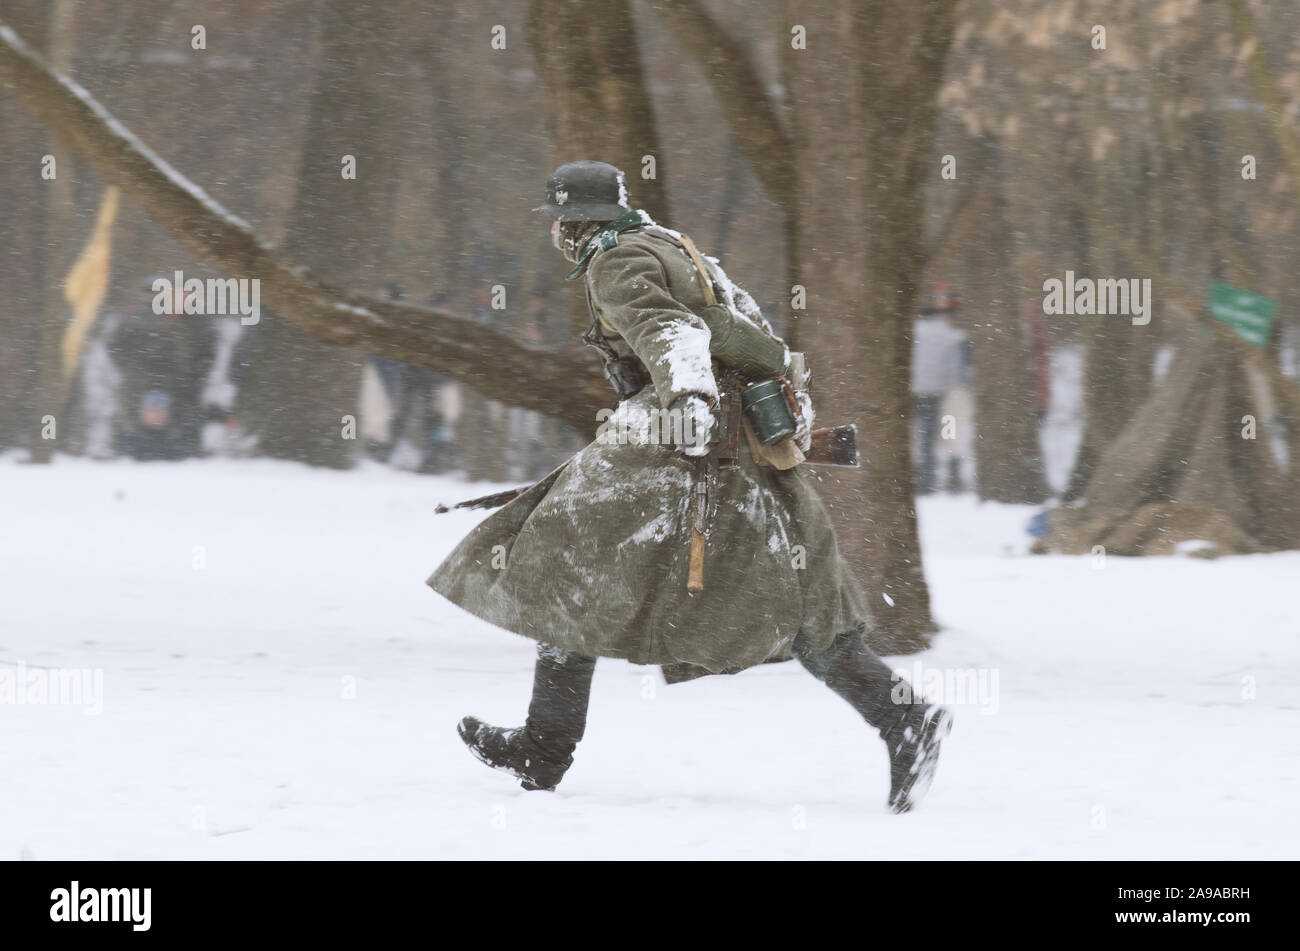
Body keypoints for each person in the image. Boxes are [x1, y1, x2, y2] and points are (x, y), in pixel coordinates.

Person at [428, 161, 952, 812]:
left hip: (686, 442)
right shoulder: (671, 244)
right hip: (735, 438)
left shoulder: (615, 262)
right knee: (789, 593)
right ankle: (544, 742)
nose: (556, 230)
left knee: (570, 563)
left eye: (560, 218)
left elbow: (675, 336)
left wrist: (691, 408)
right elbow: (748, 324)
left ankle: (903, 719)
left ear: (578, 219)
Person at [911, 285, 966, 495]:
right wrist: (949, 389)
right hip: (935, 392)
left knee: (914, 434)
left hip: (914, 390)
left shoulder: (913, 332)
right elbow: (954, 369)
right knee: (930, 436)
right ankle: (927, 479)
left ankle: (916, 476)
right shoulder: (949, 335)